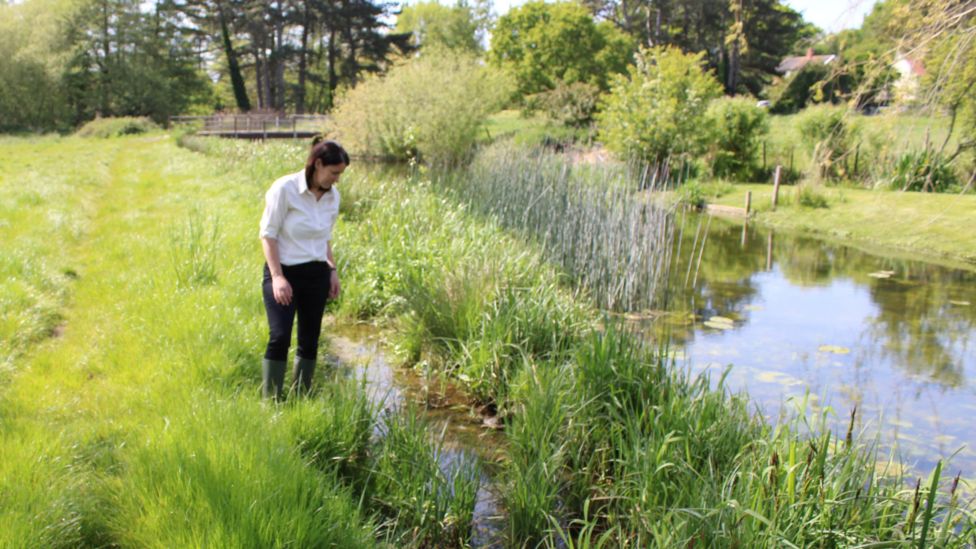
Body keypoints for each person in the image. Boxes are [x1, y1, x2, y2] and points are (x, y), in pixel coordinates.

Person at [258, 138, 349, 400]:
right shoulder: (284, 189)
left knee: (310, 340)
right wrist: (277, 277)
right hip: (284, 272)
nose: (337, 179)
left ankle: (301, 399)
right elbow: (268, 235)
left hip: (317, 274)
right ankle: (271, 403)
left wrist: (332, 270)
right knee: (279, 336)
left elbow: (325, 238)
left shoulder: (333, 197)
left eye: (340, 174)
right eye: (334, 173)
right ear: (317, 164)